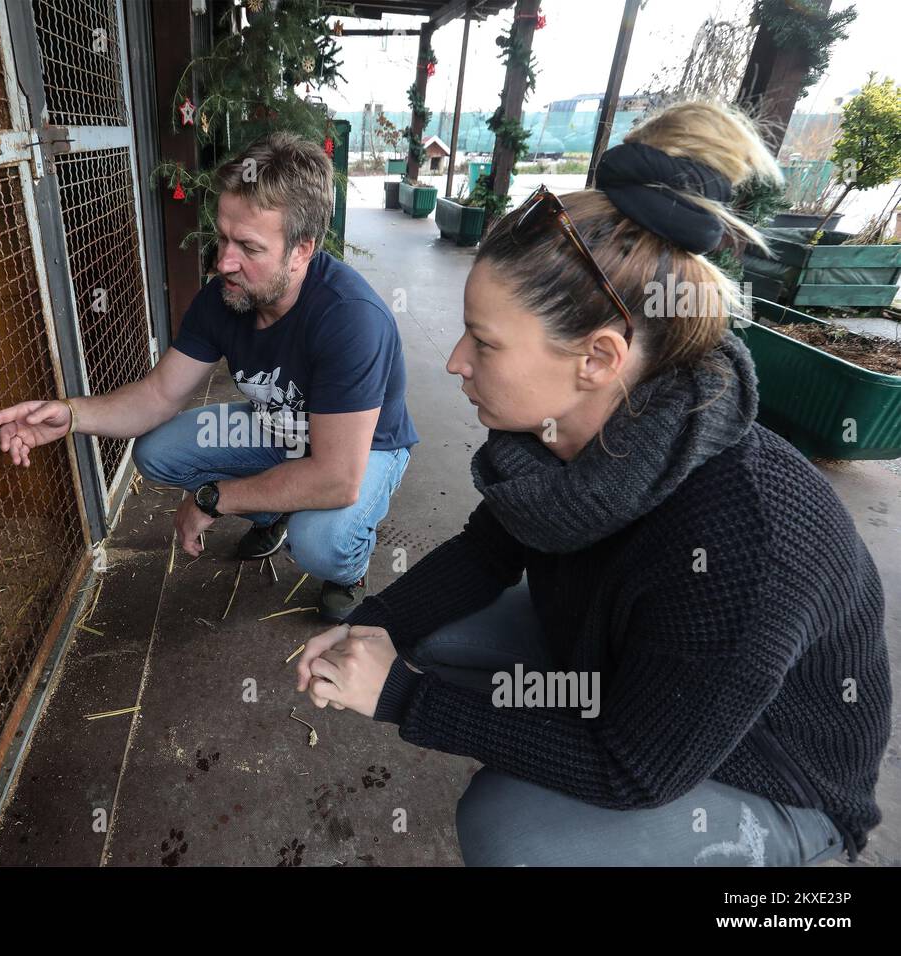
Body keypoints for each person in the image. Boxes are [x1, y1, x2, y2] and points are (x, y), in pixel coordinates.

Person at [294, 101, 891, 866]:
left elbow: (635, 770)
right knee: (422, 635)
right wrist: (371, 625)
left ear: (599, 360)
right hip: (625, 664)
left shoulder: (747, 535)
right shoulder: (549, 437)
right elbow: (485, 553)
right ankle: (552, 730)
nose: (453, 362)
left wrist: (402, 700)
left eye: (484, 342)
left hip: (774, 779)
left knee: (511, 830)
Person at [0, 132, 418, 621]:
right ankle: (271, 512)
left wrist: (216, 498)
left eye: (248, 247)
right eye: (223, 238)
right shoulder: (225, 297)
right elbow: (158, 393)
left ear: (301, 251)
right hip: (282, 427)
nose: (223, 262)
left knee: (320, 541)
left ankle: (348, 569)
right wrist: (71, 414)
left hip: (363, 447)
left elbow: (337, 477)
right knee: (156, 452)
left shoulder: (350, 319)